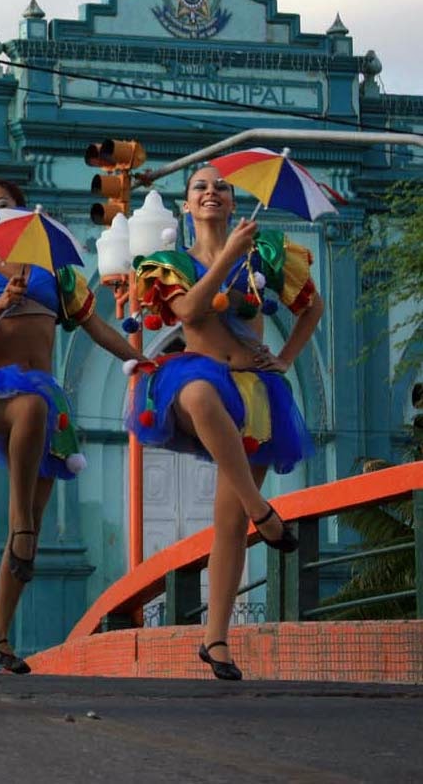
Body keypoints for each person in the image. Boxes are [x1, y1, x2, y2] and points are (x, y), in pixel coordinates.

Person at [0, 178, 143, 673]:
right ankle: (18, 514)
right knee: (27, 410)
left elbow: (99, 328)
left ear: (22, 212)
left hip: (41, 399)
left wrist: (140, 361)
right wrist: (0, 305)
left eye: (2, 204)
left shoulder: (56, 274)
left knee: (33, 518)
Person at [127, 165, 323, 680]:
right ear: (186, 207)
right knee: (197, 393)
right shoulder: (168, 262)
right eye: (200, 187)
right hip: (200, 374)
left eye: (221, 187)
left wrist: (285, 357)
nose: (211, 192)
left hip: (256, 387)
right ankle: (264, 509)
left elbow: (312, 307)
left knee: (228, 524)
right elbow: (190, 312)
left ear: (234, 204)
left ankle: (216, 640)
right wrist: (228, 256)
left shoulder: (267, 253)